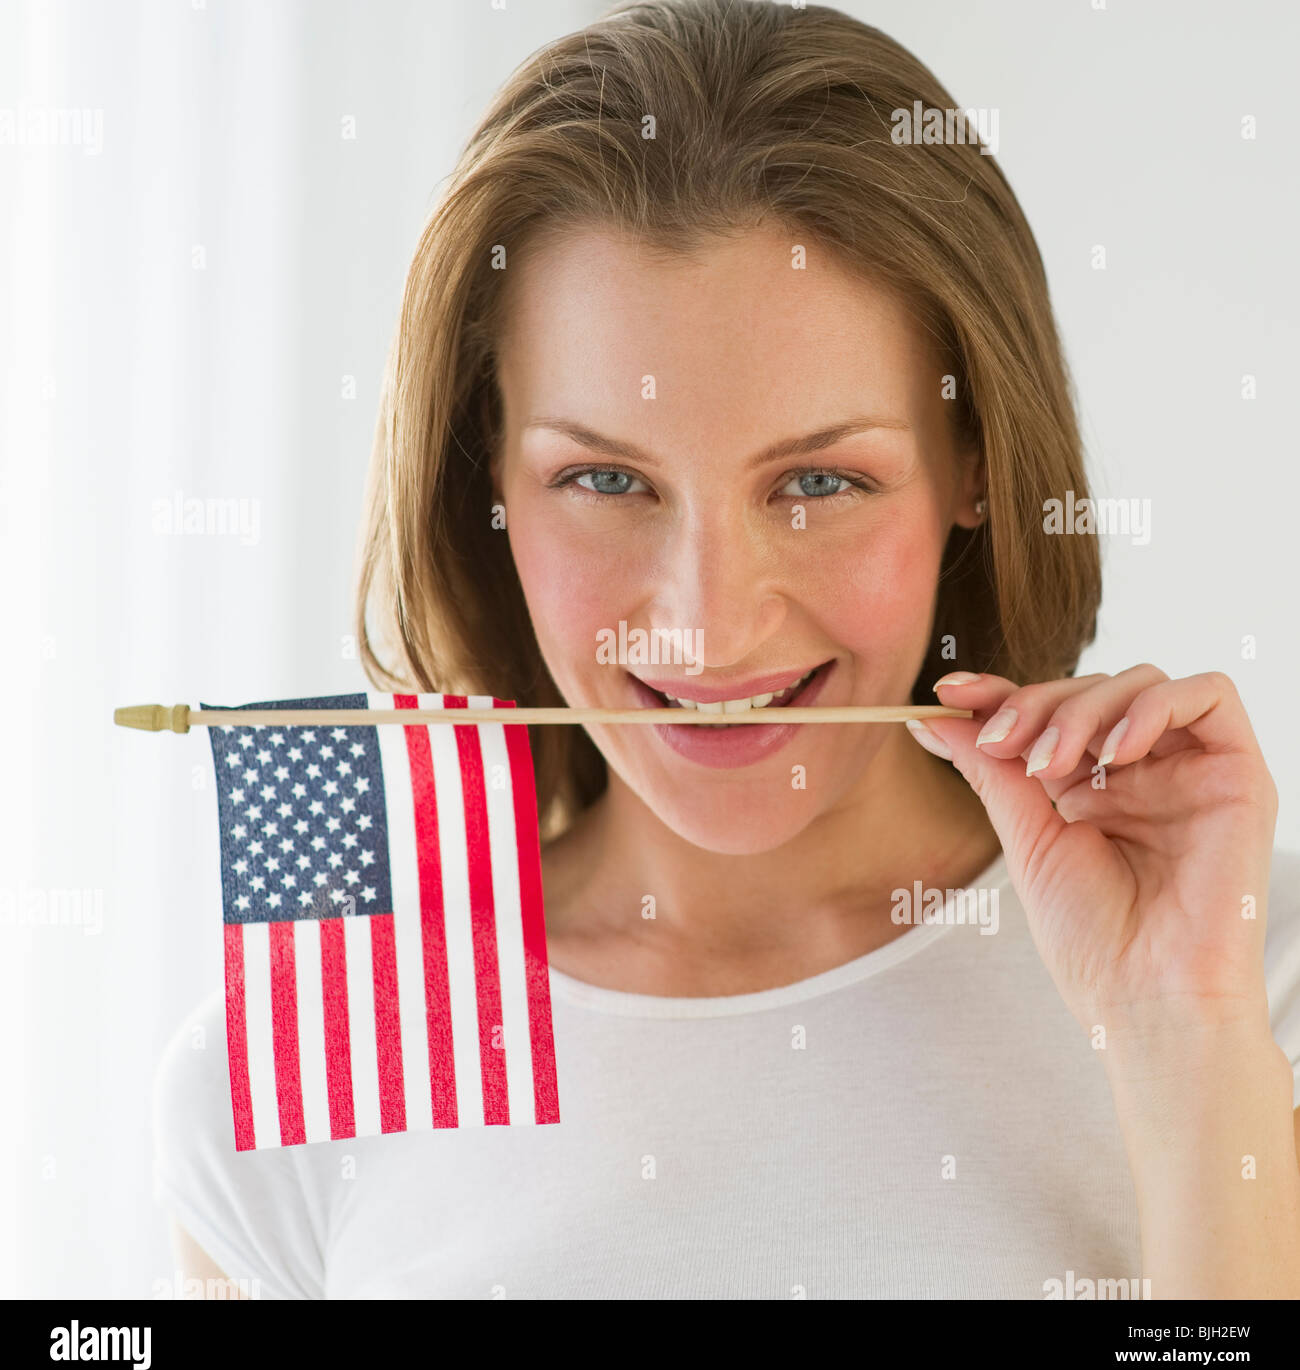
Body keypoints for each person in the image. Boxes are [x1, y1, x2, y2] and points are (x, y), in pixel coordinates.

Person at [153, 0, 1300, 1298]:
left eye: (817, 480)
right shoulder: (298, 1068)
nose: (706, 623)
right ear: (484, 478)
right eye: (602, 478)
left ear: (971, 463)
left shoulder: (1255, 975)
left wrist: (1186, 1040)